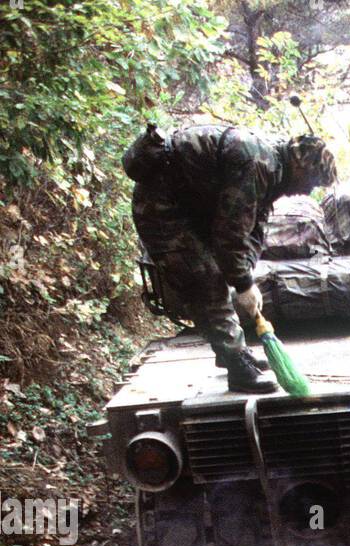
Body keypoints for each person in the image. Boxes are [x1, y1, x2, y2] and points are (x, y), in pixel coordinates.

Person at [122, 123, 337, 393]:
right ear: (301, 166)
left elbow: (254, 226)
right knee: (205, 279)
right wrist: (243, 283)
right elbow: (230, 232)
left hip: (190, 203)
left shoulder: (275, 169)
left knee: (217, 275)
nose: (307, 192)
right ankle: (237, 367)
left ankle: (232, 353)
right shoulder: (256, 162)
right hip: (161, 207)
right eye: (312, 182)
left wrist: (246, 274)